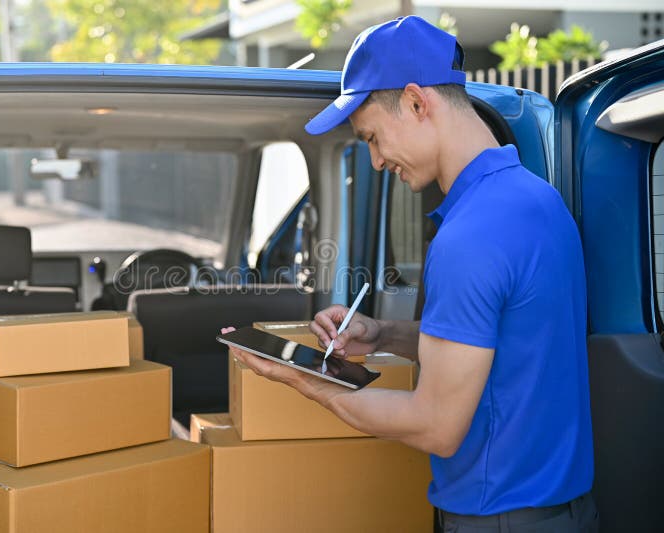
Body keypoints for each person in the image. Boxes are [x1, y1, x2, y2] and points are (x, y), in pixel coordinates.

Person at [223, 15, 598, 532]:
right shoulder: (538, 202)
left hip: (500, 518)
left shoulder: (471, 235)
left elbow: (436, 426)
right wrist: (384, 334)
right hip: (564, 512)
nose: (375, 161)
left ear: (419, 102)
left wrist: (304, 381)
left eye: (373, 137)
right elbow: (505, 343)